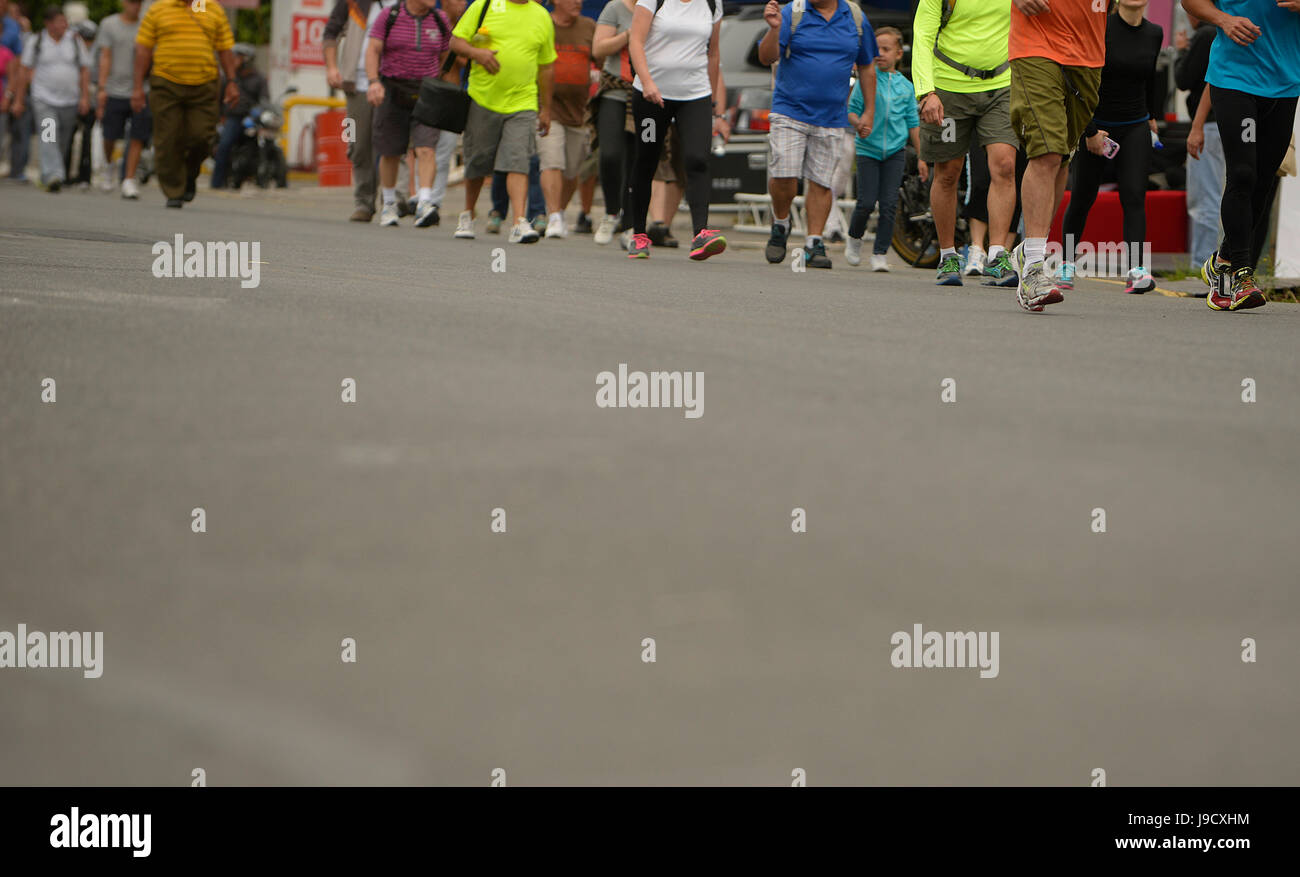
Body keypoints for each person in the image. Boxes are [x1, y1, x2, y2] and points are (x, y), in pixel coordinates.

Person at [1181, 0, 1298, 311]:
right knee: (1243, 173)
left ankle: (1222, 260)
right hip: (1235, 79)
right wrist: (1224, 19)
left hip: (1285, 83)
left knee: (1262, 180)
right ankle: (1242, 275)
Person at [757, 0, 875, 270]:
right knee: (784, 175)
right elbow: (766, 57)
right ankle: (781, 223)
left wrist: (869, 110)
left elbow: (867, 66)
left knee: (822, 182)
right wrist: (774, 29)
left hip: (832, 116)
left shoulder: (855, 17)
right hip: (789, 110)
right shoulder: (793, 12)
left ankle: (813, 242)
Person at [1007, 0, 1107, 311]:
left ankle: (1028, 252)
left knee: (1062, 156)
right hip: (1036, 44)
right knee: (1047, 151)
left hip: (1089, 51)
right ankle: (1035, 265)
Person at [913, 0, 1019, 287]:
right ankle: (948, 255)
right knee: (948, 172)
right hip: (949, 89)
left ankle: (997, 256)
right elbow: (922, 35)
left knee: (1005, 165)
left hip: (1002, 85)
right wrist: (926, 92)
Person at [1059, 0, 1162, 294]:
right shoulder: (1100, 26)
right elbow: (1079, 79)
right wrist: (1089, 129)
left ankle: (1136, 270)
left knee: (1134, 195)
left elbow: (1151, 79)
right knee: (1082, 196)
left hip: (1136, 123)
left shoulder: (1154, 32)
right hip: (1097, 124)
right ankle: (1066, 262)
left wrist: (1152, 117)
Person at [625, 0, 727, 260]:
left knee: (697, 159)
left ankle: (700, 234)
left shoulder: (712, 3)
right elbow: (635, 41)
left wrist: (713, 104)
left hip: (695, 96)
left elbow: (713, 53)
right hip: (651, 98)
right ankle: (638, 234)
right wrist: (647, 82)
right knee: (647, 160)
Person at [448, 0, 557, 243]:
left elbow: (547, 66)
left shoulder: (541, 16)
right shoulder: (484, 5)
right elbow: (455, 41)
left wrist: (546, 109)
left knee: (518, 160)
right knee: (477, 160)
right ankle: (467, 214)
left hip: (523, 102)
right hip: (483, 97)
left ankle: (519, 222)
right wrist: (477, 53)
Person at [132, 0, 240, 208]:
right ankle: (174, 190)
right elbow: (144, 49)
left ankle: (189, 174)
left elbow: (225, 48)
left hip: (204, 84)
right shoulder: (159, 8)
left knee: (202, 137)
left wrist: (232, 82)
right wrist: (137, 87)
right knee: (167, 139)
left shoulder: (211, 8)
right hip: (165, 83)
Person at [365, 0, 451, 228]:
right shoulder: (389, 15)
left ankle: (424, 202)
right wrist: (374, 82)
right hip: (392, 89)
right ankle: (390, 203)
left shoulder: (440, 20)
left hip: (426, 92)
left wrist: (437, 84)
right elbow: (373, 50)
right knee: (390, 151)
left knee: (426, 148)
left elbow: (445, 56)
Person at [846, 26, 918, 271]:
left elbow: (912, 122)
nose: (880, 54)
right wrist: (858, 124)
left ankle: (879, 253)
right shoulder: (866, 80)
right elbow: (852, 110)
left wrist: (922, 157)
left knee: (889, 204)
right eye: (876, 49)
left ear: (899, 54)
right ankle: (854, 238)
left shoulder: (906, 87)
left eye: (886, 49)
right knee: (866, 202)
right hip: (868, 149)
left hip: (895, 152)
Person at [324, 0, 396, 222]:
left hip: (392, 83)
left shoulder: (402, 4)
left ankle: (392, 201)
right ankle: (364, 202)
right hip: (356, 85)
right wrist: (332, 67)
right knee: (358, 143)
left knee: (392, 144)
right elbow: (331, 32)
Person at [10, 7, 90, 192]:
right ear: (48, 23)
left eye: (65, 21)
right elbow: (24, 70)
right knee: (49, 137)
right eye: (60, 21)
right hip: (44, 99)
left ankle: (49, 173)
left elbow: (84, 70)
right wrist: (19, 99)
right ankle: (55, 176)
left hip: (69, 101)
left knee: (61, 141)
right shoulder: (37, 41)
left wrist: (85, 97)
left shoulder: (74, 41)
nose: (64, 25)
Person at [537, 0, 594, 238]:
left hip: (579, 112)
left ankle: (558, 211)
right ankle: (553, 217)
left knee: (573, 170)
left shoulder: (589, 27)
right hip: (547, 109)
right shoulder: (542, 23)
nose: (578, 2)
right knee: (552, 161)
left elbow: (600, 60)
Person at [1175, 11, 1223, 276]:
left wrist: (1183, 52)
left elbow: (1183, 80)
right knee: (1225, 192)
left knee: (1205, 195)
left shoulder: (1206, 34)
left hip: (1208, 125)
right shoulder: (1226, 31)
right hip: (1229, 122)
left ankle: (1202, 263)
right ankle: (1223, 260)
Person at [591, 0, 637, 243]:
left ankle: (631, 224)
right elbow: (598, 50)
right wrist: (629, 34)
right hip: (615, 91)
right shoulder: (615, 8)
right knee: (610, 154)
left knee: (637, 160)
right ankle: (611, 213)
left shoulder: (659, 10)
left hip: (645, 94)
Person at [95, 0, 149, 199]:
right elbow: (105, 56)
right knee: (110, 136)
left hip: (141, 89)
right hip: (114, 89)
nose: (136, 6)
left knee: (137, 136)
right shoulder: (109, 24)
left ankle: (128, 178)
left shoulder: (147, 24)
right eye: (132, 2)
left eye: (139, 2)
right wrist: (102, 87)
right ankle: (109, 167)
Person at [212, 43, 267, 190]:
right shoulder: (229, 79)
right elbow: (219, 100)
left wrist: (259, 112)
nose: (233, 60)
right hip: (234, 118)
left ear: (247, 60)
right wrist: (220, 117)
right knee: (224, 145)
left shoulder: (259, 79)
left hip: (252, 119)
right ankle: (216, 182)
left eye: (237, 57)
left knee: (268, 143)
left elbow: (265, 100)